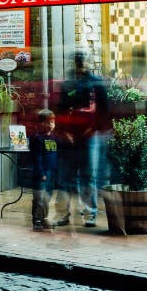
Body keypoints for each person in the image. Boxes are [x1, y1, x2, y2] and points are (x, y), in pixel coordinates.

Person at [53, 50, 109, 228]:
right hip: (71, 136)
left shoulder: (95, 83)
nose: (82, 65)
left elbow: (104, 111)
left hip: (90, 136)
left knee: (87, 175)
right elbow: (60, 110)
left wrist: (93, 129)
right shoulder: (68, 84)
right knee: (66, 176)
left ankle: (89, 213)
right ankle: (64, 214)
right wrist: (64, 132)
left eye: (83, 61)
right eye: (80, 62)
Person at [30, 109, 58, 231]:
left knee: (47, 197)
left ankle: (43, 218)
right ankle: (36, 220)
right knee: (39, 197)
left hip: (51, 174)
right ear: (40, 123)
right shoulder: (37, 139)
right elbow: (37, 158)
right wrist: (41, 173)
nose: (51, 124)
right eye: (48, 122)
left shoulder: (53, 137)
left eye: (53, 122)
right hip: (41, 175)